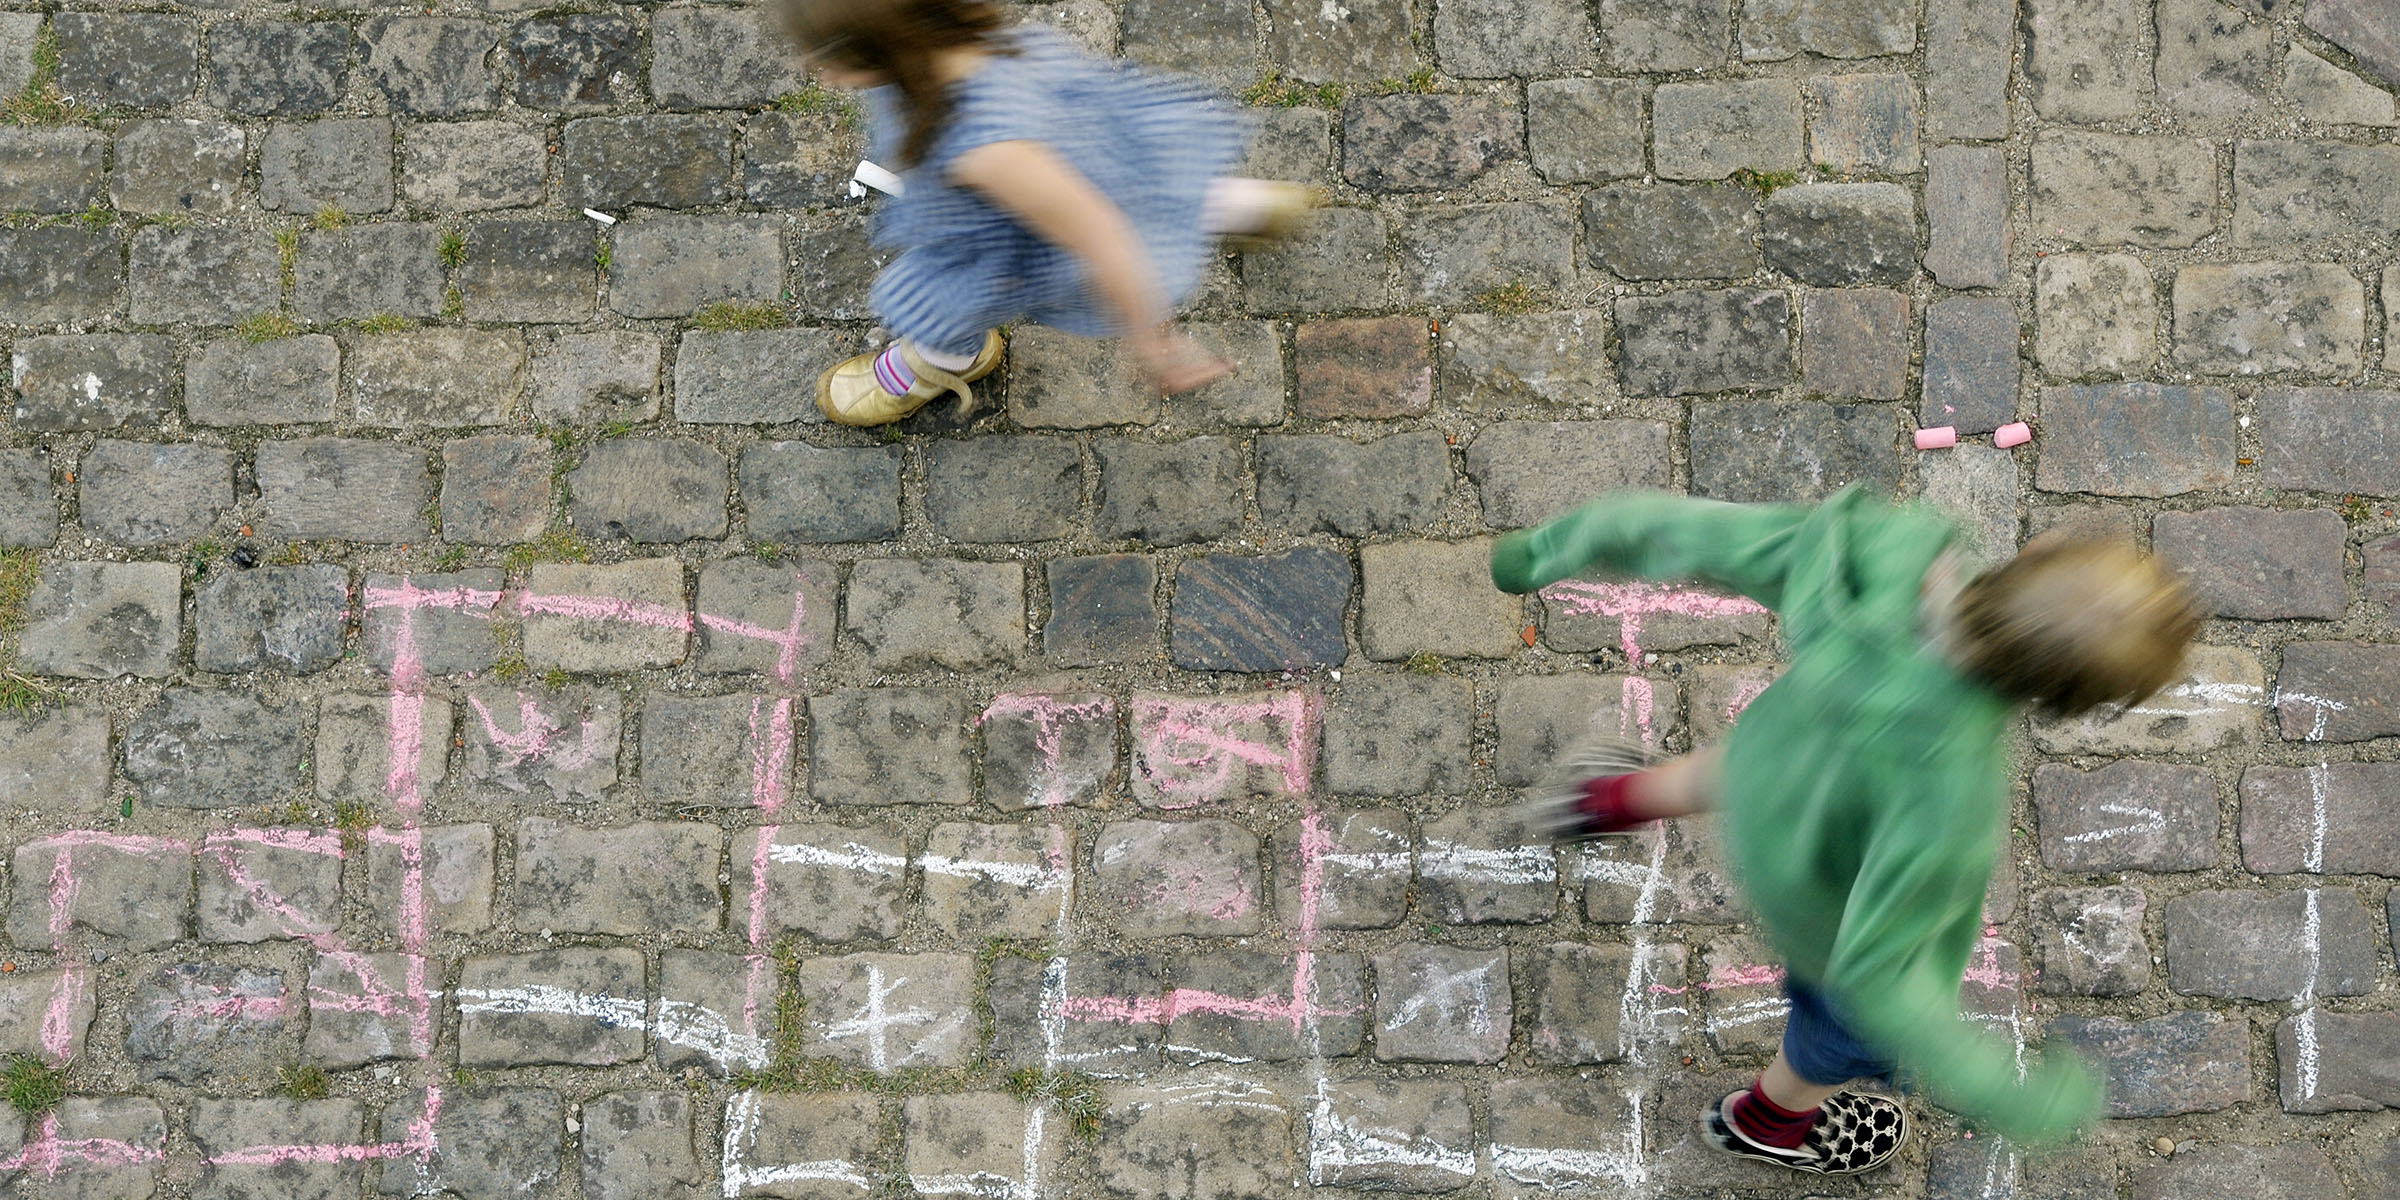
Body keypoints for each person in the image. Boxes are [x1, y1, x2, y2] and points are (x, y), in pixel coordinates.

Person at [1490, 486, 2200, 1176]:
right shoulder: (1949, 797)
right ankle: (1767, 1122)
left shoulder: (1886, 551)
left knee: (1734, 772)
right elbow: (1879, 976)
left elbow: (1694, 531)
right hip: (1818, 899)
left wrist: (1556, 545)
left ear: (2037, 549)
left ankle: (1601, 801)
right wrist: (2008, 1096)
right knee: (1841, 1030)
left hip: (1774, 761)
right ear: (2055, 704)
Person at [775, 0, 1316, 426]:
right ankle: (1238, 207)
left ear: (889, 50)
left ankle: (942, 360)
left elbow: (1102, 233)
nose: (817, 73)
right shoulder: (953, 37)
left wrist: (1157, 343)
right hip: (1072, 138)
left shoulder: (983, 147)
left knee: (946, 304)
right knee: (1145, 172)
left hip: (1018, 227)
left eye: (829, 59)